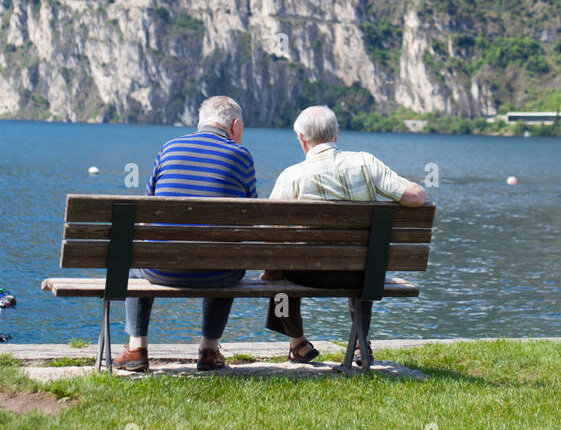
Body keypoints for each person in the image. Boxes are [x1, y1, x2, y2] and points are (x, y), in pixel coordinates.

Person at [264, 105, 426, 365]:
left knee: (278, 267)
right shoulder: (366, 163)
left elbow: (270, 236)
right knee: (366, 259)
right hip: (360, 274)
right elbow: (416, 196)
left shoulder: (291, 177)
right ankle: (361, 343)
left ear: (302, 140)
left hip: (307, 273)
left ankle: (298, 343)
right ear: (336, 135)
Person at [114, 95, 257, 373]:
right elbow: (249, 219)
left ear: (200, 123)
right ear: (235, 125)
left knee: (137, 262)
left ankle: (136, 347)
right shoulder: (241, 156)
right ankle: (208, 350)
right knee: (226, 255)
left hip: (161, 270)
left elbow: (148, 209)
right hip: (219, 275)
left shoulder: (169, 148)